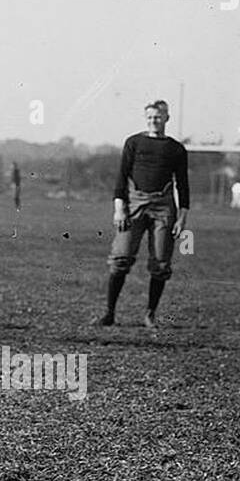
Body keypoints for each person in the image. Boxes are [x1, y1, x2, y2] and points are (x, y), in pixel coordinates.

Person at [98, 99, 190, 330]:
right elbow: (121, 177)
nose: (153, 121)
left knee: (160, 262)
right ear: (145, 118)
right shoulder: (133, 142)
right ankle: (109, 313)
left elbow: (183, 185)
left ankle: (150, 314)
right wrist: (119, 208)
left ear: (167, 118)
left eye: (158, 117)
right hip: (134, 204)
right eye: (150, 117)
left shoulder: (176, 148)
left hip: (164, 206)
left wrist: (182, 217)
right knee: (120, 258)